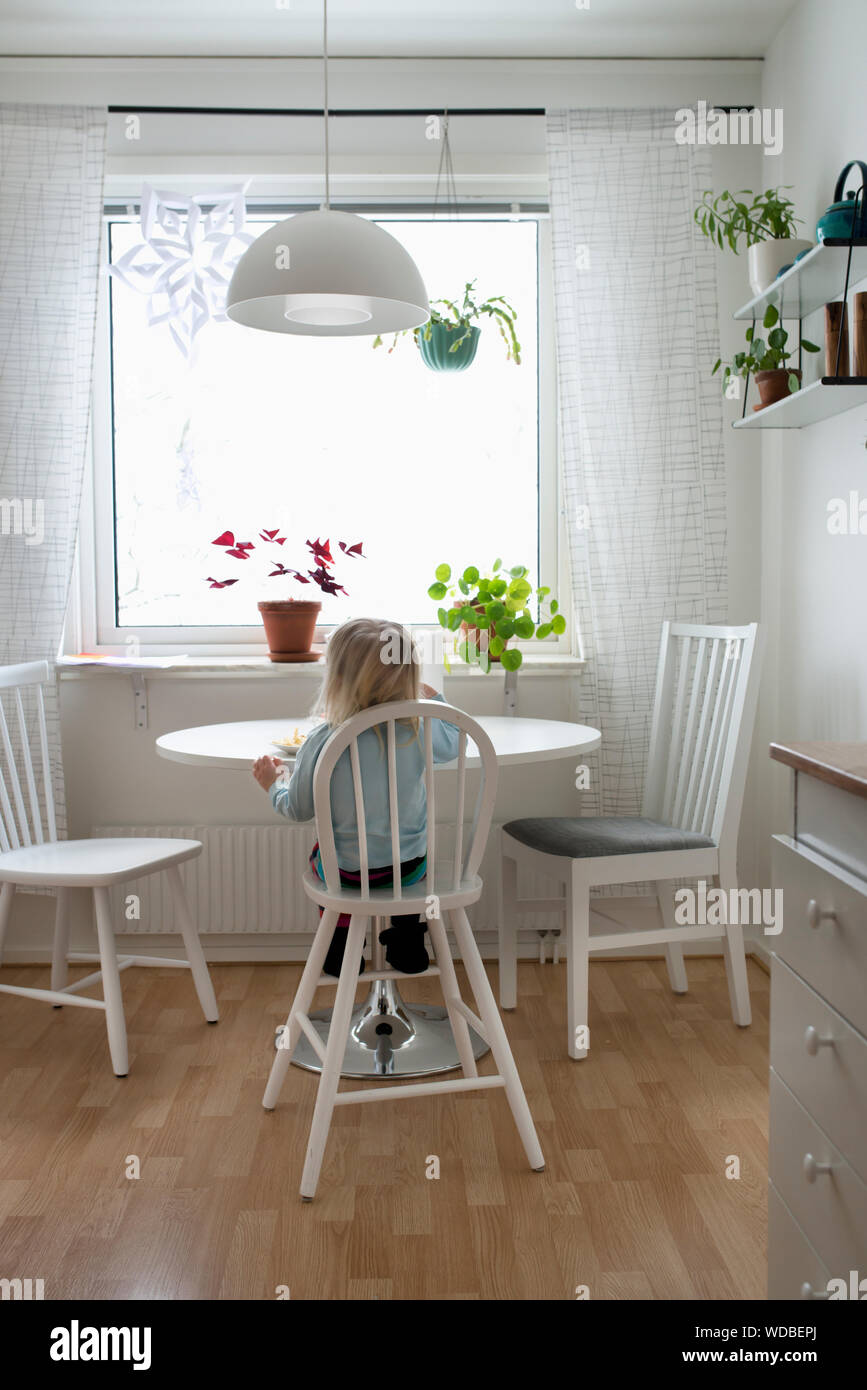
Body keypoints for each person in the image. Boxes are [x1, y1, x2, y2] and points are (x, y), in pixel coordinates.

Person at [253, 617, 459, 976]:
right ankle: (408, 936)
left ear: (337, 681)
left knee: (325, 857)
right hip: (409, 870)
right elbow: (455, 739)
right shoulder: (420, 727)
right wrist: (433, 697)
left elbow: (297, 808)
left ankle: (341, 942)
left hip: (347, 873)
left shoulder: (322, 740)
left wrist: (273, 783)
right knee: (408, 864)